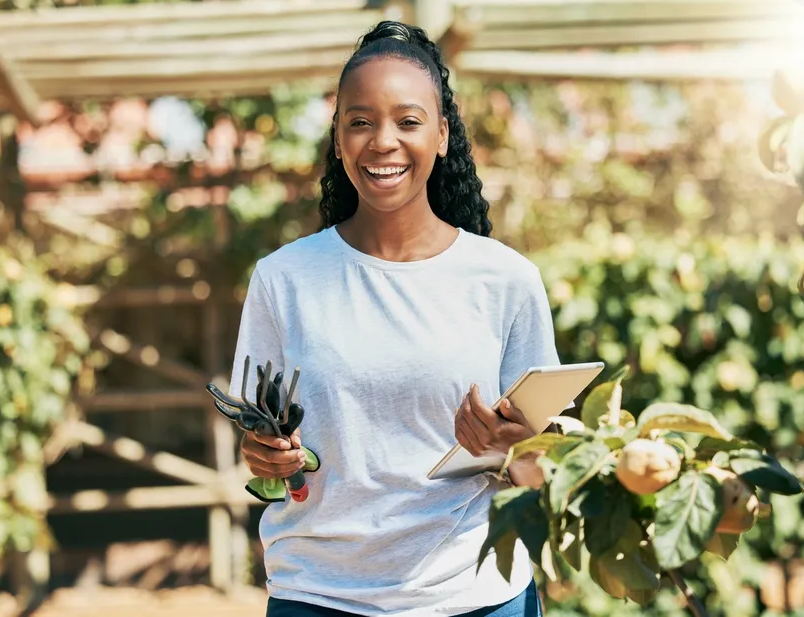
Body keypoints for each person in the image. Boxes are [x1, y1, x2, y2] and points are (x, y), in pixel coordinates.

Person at [228, 20, 560, 617]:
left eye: (408, 121)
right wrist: (268, 456)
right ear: (336, 138)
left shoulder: (506, 280)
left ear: (441, 135)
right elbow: (260, 448)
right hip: (319, 593)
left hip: (476, 593)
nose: (383, 141)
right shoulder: (283, 280)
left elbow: (544, 468)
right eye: (361, 121)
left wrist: (514, 448)